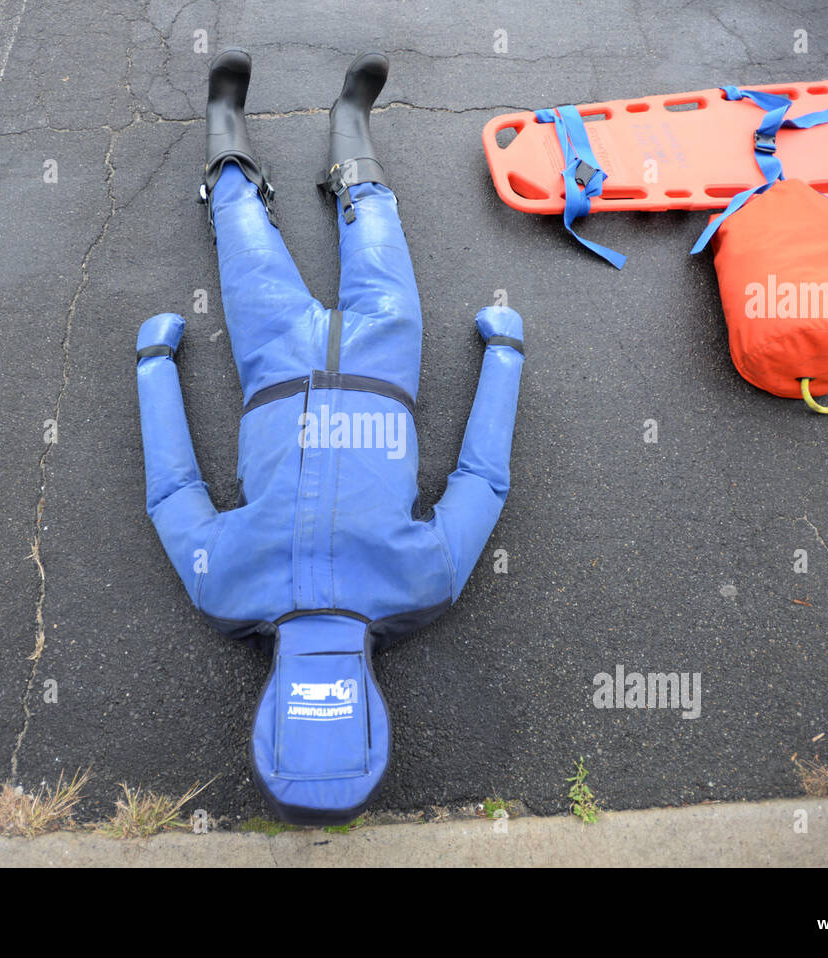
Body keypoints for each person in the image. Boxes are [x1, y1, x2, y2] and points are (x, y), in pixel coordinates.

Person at [135, 49, 525, 824]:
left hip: (274, 362)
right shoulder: (425, 583)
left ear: (273, 712)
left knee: (243, 233)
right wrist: (504, 358)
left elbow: (174, 491)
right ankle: (349, 128)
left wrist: (153, 366)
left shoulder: (225, 587)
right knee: (373, 223)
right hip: (383, 361)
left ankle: (225, 128)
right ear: (371, 709)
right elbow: (480, 481)